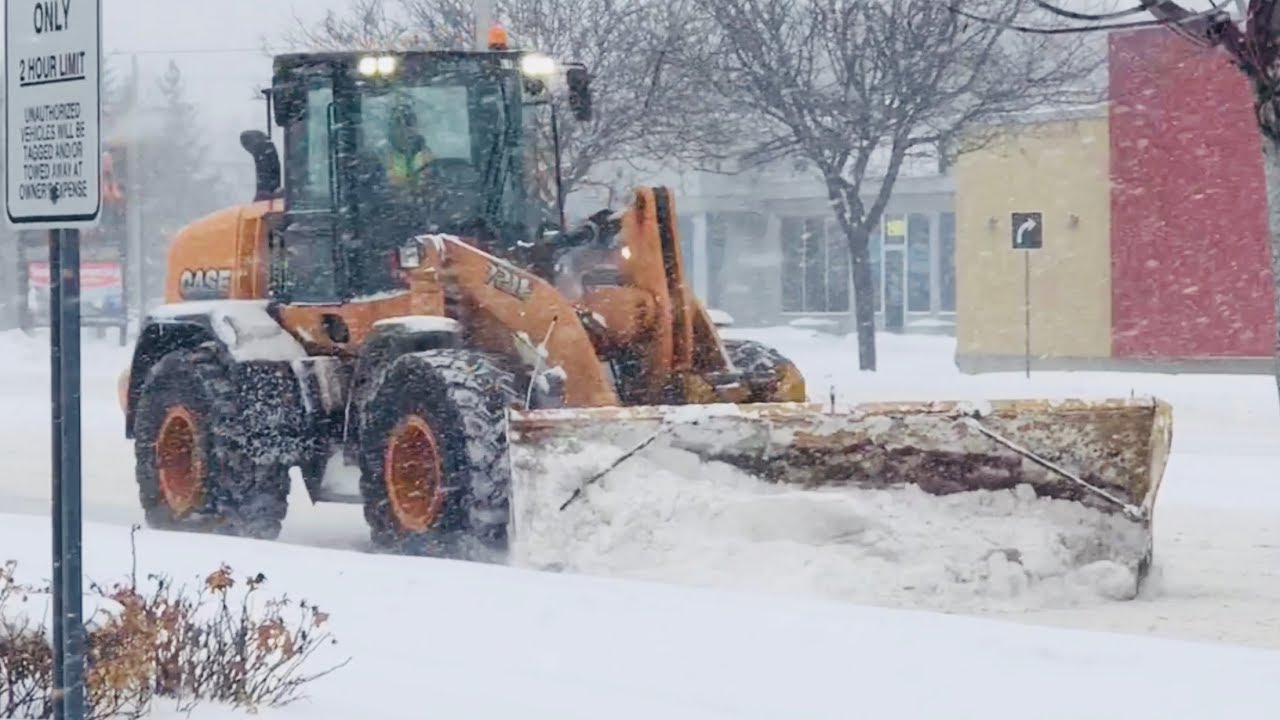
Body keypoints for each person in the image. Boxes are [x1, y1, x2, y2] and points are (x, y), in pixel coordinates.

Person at [382, 102, 433, 189]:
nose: (404, 129)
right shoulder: (380, 159)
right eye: (398, 124)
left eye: (409, 123)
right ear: (390, 129)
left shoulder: (430, 158)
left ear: (417, 127)